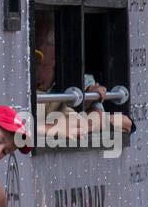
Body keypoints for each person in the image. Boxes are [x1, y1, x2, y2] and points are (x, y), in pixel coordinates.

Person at [34, 13, 133, 143]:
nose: (33, 47)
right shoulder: (27, 86)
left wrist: (93, 106)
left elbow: (83, 123)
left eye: (39, 41)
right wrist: (109, 121)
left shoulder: (80, 82)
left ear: (55, 52)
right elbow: (79, 124)